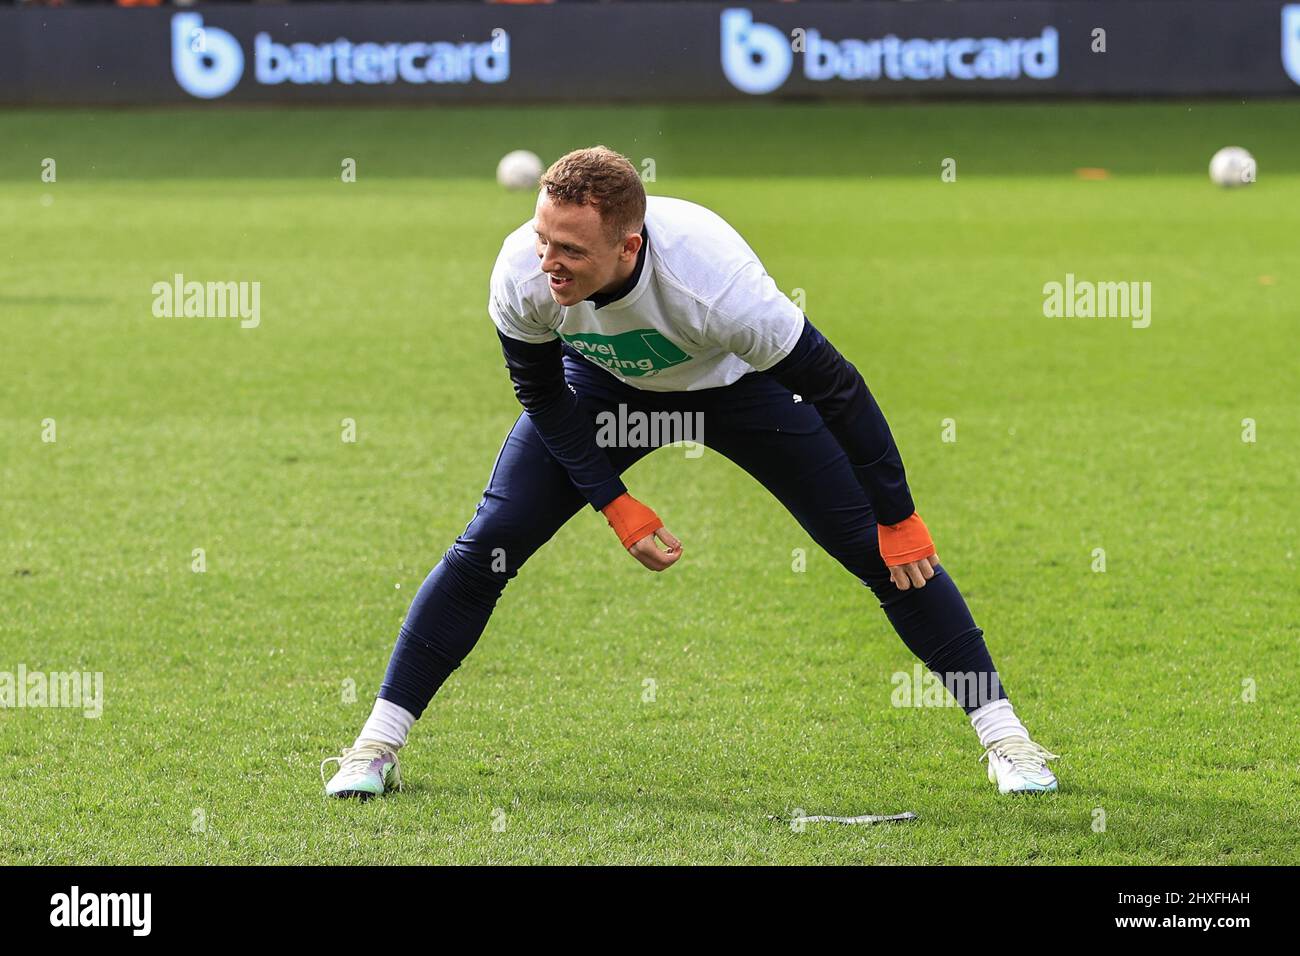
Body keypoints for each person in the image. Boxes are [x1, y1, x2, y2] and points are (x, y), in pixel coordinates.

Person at [321, 145, 1058, 801]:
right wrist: (614, 504)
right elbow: (540, 391)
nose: (549, 261)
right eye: (545, 238)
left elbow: (839, 387)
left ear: (628, 244)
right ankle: (376, 746)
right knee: (492, 542)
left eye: (571, 250)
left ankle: (1008, 740)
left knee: (885, 555)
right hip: (601, 388)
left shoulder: (717, 287)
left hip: (738, 391)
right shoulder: (522, 269)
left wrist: (898, 515)